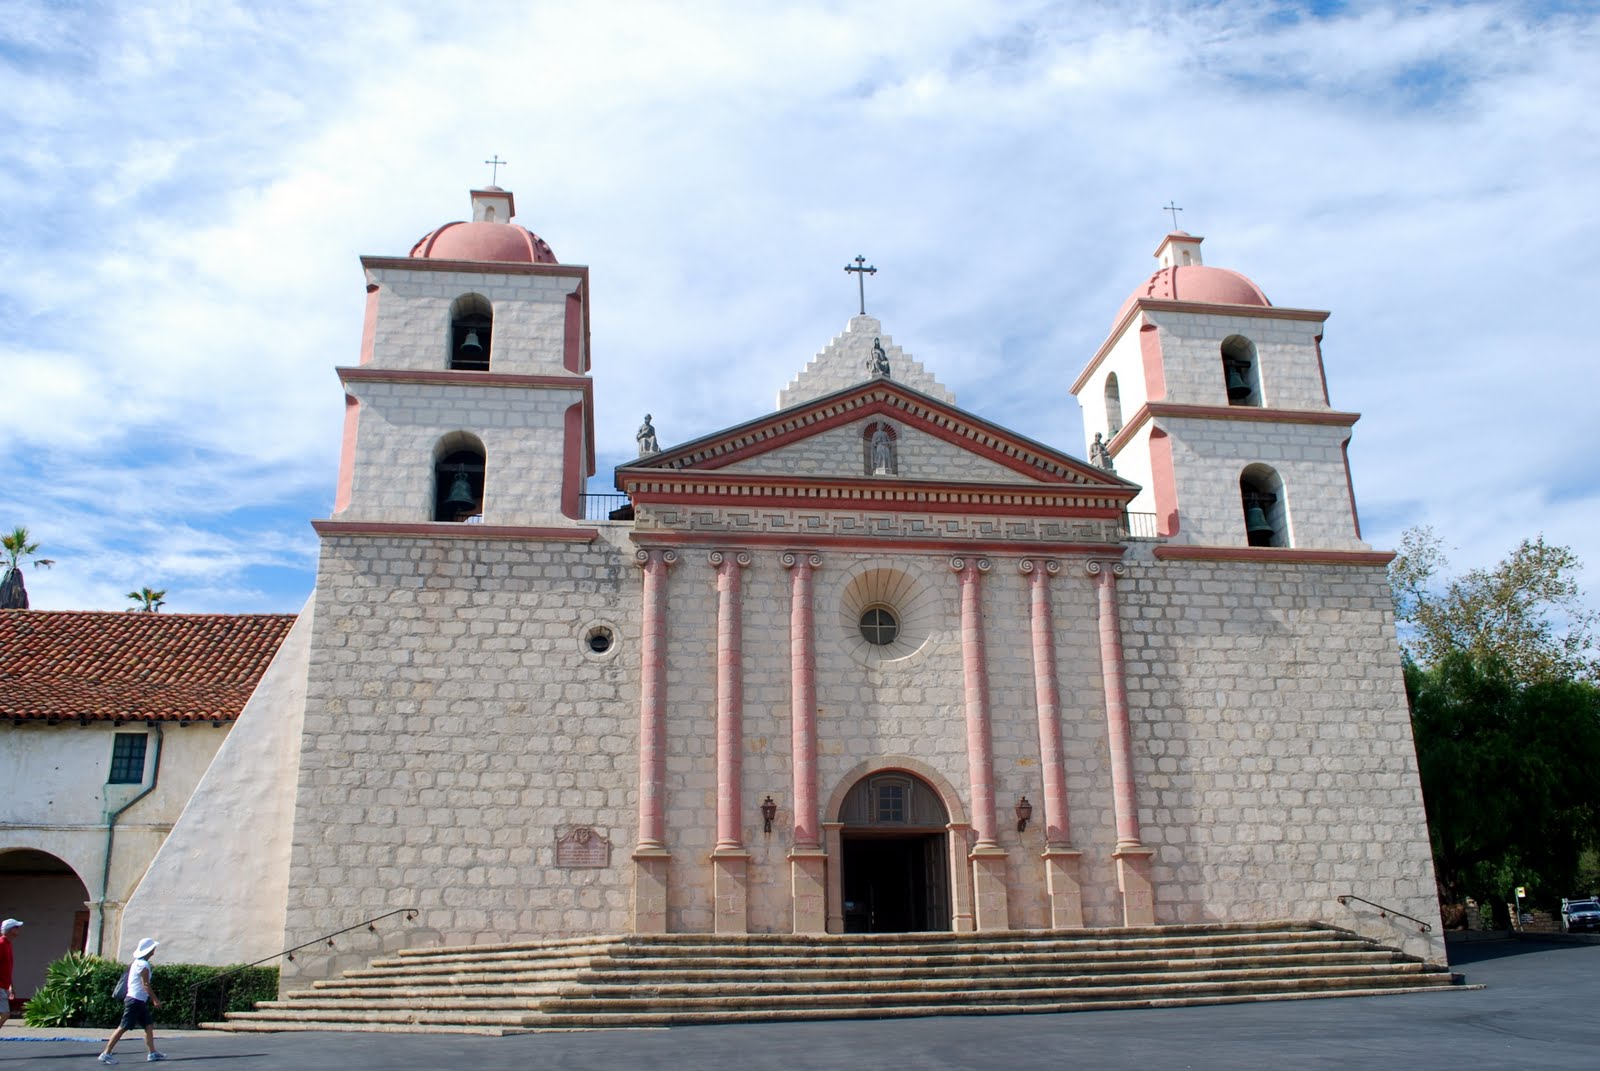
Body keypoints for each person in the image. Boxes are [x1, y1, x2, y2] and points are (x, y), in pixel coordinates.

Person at [99, 938, 164, 1064]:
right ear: (149, 950)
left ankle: (152, 1053)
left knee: (148, 1026)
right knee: (123, 1026)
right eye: (153, 948)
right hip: (135, 1000)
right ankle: (106, 1053)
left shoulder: (136, 963)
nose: (154, 950)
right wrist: (156, 1000)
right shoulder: (144, 965)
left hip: (138, 1001)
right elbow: (146, 984)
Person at [0, 919, 19, 1032]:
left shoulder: (8, 944)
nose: (18, 929)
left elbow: (7, 968)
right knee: (5, 1013)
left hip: (4, 986)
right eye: (16, 927)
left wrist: (11, 986)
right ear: (11, 929)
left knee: (4, 1014)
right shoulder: (1, 944)